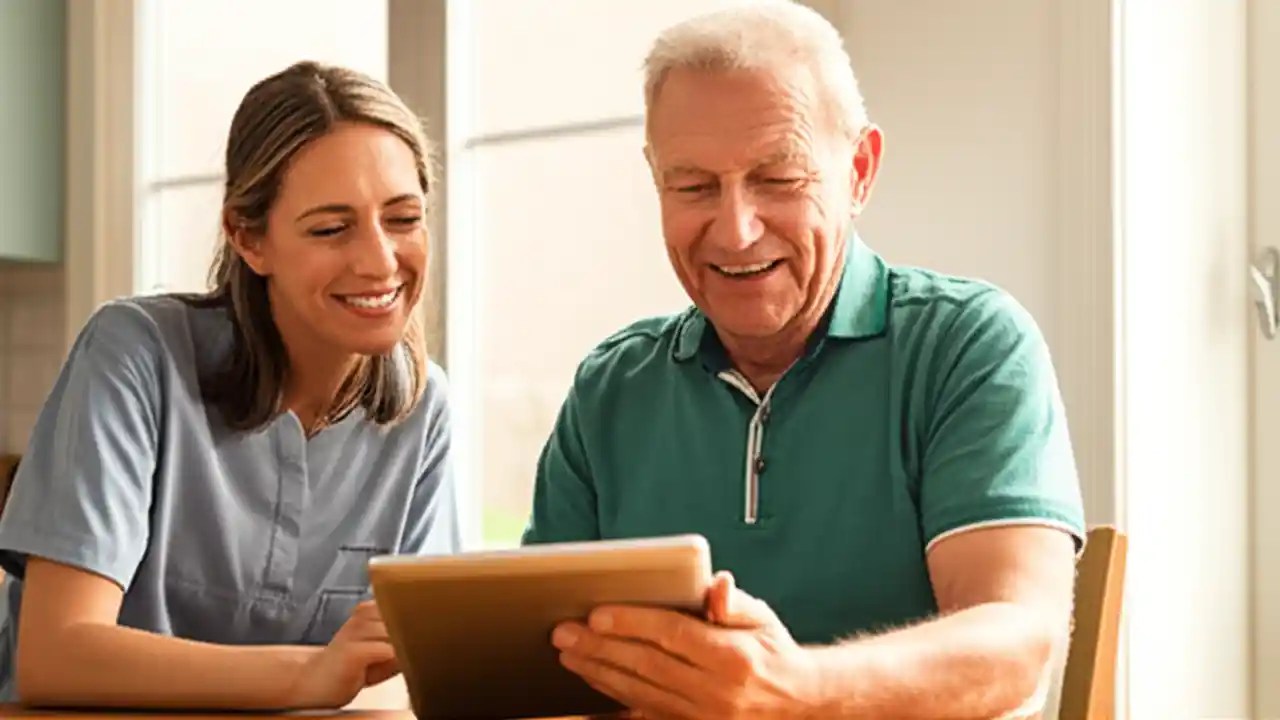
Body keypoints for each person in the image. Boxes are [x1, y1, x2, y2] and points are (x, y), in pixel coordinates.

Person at [523, 2, 1085, 718]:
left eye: (778, 178)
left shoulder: (969, 345)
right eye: (693, 186)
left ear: (858, 171)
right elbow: (536, 664)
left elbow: (1015, 646)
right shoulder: (610, 386)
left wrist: (792, 693)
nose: (735, 229)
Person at [0, 61, 458, 710]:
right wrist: (310, 674)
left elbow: (429, 662)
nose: (380, 260)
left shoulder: (422, 407)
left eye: (404, 218)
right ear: (249, 238)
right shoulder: (136, 353)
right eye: (331, 228)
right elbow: (56, 654)